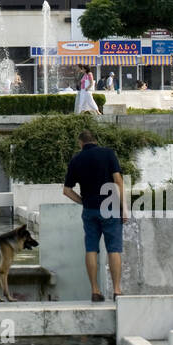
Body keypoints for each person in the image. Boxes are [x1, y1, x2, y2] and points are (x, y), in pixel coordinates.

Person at [62, 129, 126, 302]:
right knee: (114, 249)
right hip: (110, 207)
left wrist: (83, 201)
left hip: (90, 210)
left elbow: (67, 191)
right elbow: (118, 180)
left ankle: (95, 290)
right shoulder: (108, 154)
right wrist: (123, 208)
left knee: (91, 249)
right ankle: (117, 290)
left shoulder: (76, 160)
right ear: (95, 140)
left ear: (80, 143)